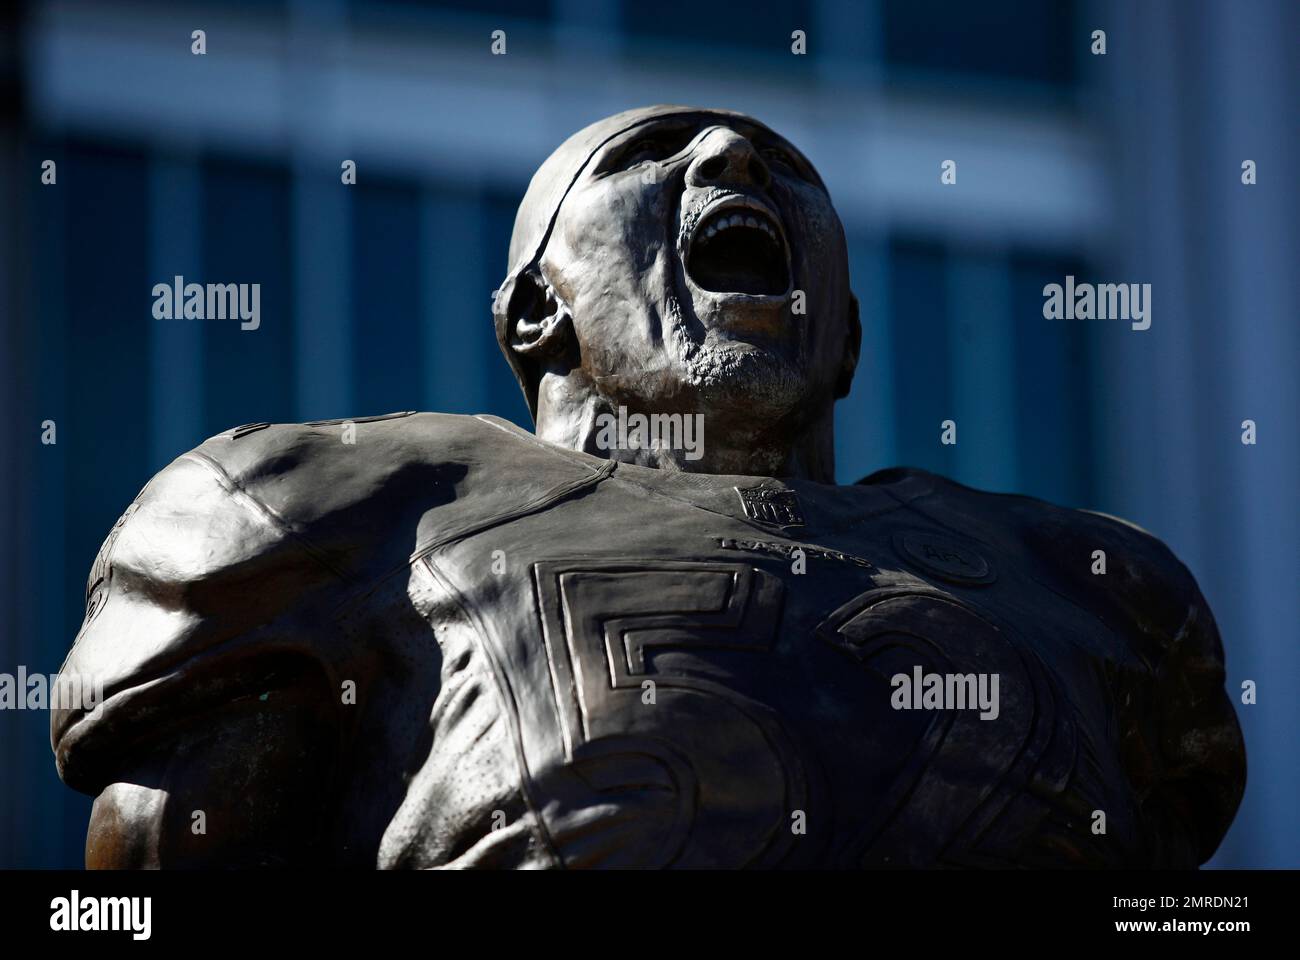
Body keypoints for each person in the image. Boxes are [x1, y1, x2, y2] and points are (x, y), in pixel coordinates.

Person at [51, 106, 1245, 869]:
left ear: (847, 338)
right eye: (644, 159)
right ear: (534, 311)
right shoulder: (345, 517)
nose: (729, 162)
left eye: (784, 168)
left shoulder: (1089, 597)